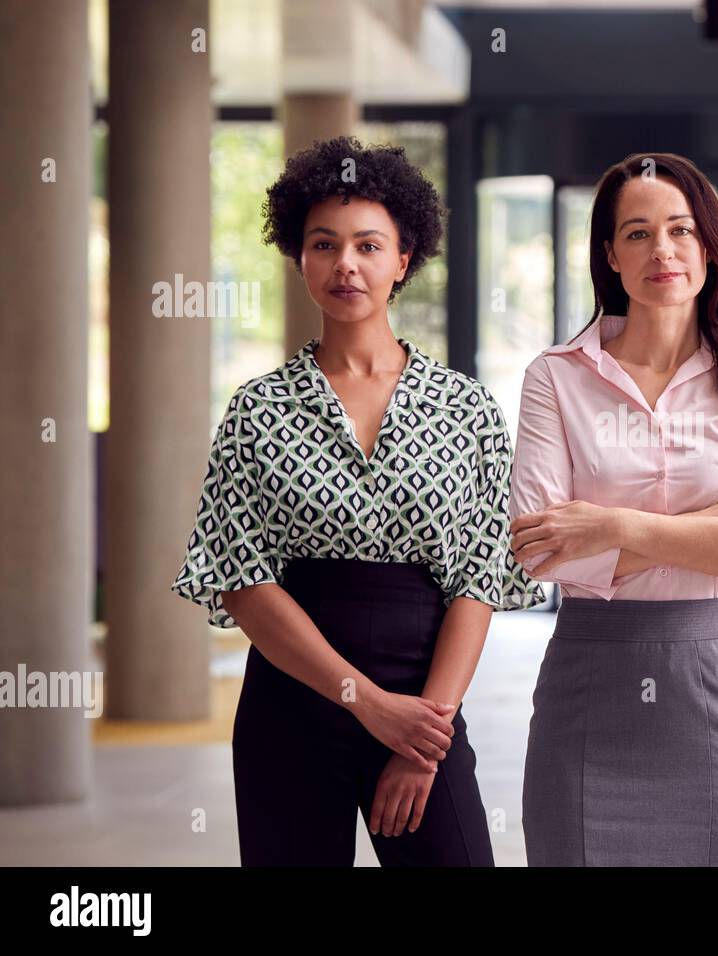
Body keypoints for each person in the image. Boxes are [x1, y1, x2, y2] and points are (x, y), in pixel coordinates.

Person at [171, 135, 544, 866]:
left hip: (424, 700)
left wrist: (423, 738)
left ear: (403, 259)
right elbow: (242, 579)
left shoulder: (465, 408)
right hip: (291, 704)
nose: (346, 263)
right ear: (299, 257)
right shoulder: (257, 410)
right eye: (324, 243)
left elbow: (479, 578)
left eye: (368, 245)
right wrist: (366, 704)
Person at [508, 152, 718, 866]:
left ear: (708, 246)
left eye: (681, 230)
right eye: (638, 233)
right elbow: (541, 553)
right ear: (610, 255)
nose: (663, 250)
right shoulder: (555, 379)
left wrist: (613, 526)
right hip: (589, 689)